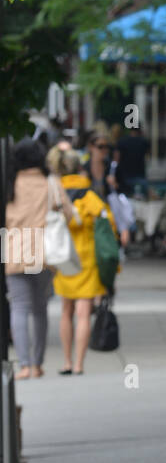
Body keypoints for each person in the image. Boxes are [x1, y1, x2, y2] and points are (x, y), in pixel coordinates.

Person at [5, 139, 76, 380]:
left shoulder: (9, 182)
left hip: (14, 248)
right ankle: (37, 364)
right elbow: (69, 213)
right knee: (39, 309)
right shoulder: (51, 183)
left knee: (19, 307)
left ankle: (24, 365)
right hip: (44, 252)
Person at [50, 148, 119, 375]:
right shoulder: (89, 196)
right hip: (86, 260)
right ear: (80, 168)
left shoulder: (55, 195)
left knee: (66, 311)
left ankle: (66, 362)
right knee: (82, 313)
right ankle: (79, 364)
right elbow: (108, 225)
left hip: (62, 260)